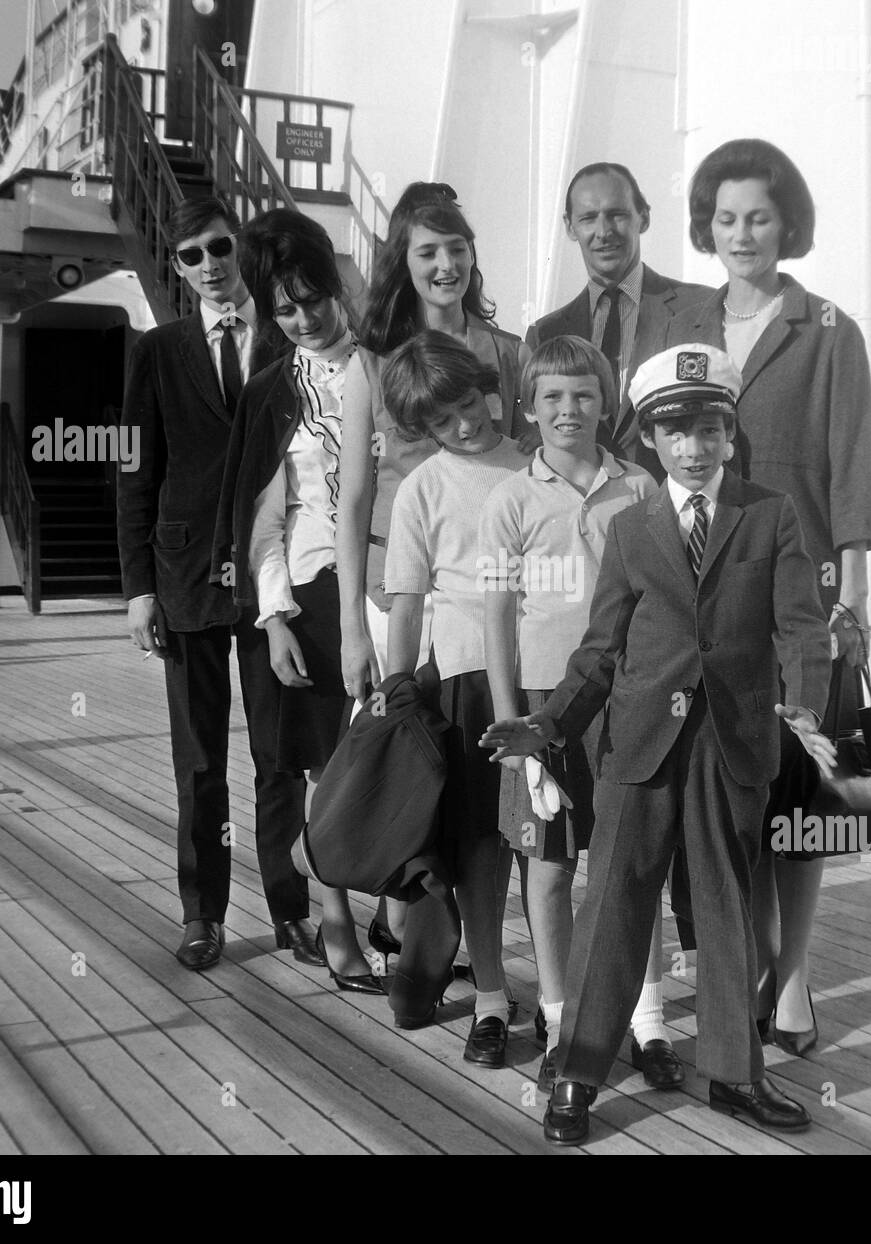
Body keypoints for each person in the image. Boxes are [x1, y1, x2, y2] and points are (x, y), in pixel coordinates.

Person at [481, 344, 837, 1145]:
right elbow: (601, 651)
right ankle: (576, 1074)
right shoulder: (632, 528)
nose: (695, 447)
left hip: (731, 746)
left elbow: (802, 628)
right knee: (612, 906)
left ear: (730, 432)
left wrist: (806, 707)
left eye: (709, 428)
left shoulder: (770, 514)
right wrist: (548, 725)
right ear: (648, 439)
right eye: (675, 432)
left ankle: (735, 1076)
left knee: (726, 910)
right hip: (638, 746)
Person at [666, 139, 871, 1056]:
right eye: (725, 218)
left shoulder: (829, 326)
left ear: (785, 221)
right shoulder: (686, 320)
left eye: (758, 216)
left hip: (804, 592)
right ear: (707, 226)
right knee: (735, 789)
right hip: (710, 582)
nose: (742, 233)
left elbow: (855, 470)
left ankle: (792, 978)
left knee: (801, 791)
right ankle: (756, 957)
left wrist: (853, 601)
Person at [337, 188, 529, 960]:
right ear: (404, 264)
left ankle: (444, 942)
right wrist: (355, 625)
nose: (446, 264)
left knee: (476, 787)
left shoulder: (507, 353)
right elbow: (352, 497)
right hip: (399, 594)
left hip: (490, 604)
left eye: (457, 247)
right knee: (407, 772)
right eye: (427, 252)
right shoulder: (373, 361)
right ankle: (414, 926)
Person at [118, 195, 309, 973]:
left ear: (240, 247)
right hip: (186, 573)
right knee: (198, 761)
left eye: (218, 247)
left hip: (271, 575)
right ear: (177, 267)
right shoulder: (158, 353)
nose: (208, 265)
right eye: (190, 255)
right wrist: (138, 588)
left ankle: (292, 908)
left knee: (277, 754)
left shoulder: (287, 339)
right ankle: (203, 914)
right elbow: (135, 473)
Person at [480, 335, 661, 1090]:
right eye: (551, 396)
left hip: (626, 701)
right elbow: (495, 615)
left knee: (629, 865)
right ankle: (558, 1014)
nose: (568, 409)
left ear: (607, 402)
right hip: (540, 710)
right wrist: (511, 730)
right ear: (528, 407)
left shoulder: (641, 488)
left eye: (583, 395)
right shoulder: (511, 498)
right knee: (549, 867)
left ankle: (645, 1020)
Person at [214, 207, 383, 993]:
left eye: (314, 297)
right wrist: (273, 617)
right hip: (311, 598)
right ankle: (337, 926)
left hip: (393, 592)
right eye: (285, 307)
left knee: (400, 758)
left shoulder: (388, 370)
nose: (305, 317)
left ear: (335, 288)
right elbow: (264, 520)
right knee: (324, 770)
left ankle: (413, 925)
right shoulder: (269, 393)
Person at [381, 332, 527, 1055]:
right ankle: (493, 996)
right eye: (443, 421)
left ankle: (560, 993)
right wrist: (394, 688)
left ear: (485, 386)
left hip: (550, 674)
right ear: (423, 430)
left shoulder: (538, 466)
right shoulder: (423, 488)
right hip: (469, 676)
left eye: (469, 403)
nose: (465, 425)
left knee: (549, 849)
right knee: (481, 848)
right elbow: (406, 603)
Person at [526, 162, 712, 462]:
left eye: (617, 215)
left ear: (644, 217)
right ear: (570, 227)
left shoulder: (701, 310)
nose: (604, 232)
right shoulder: (545, 335)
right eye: (588, 218)